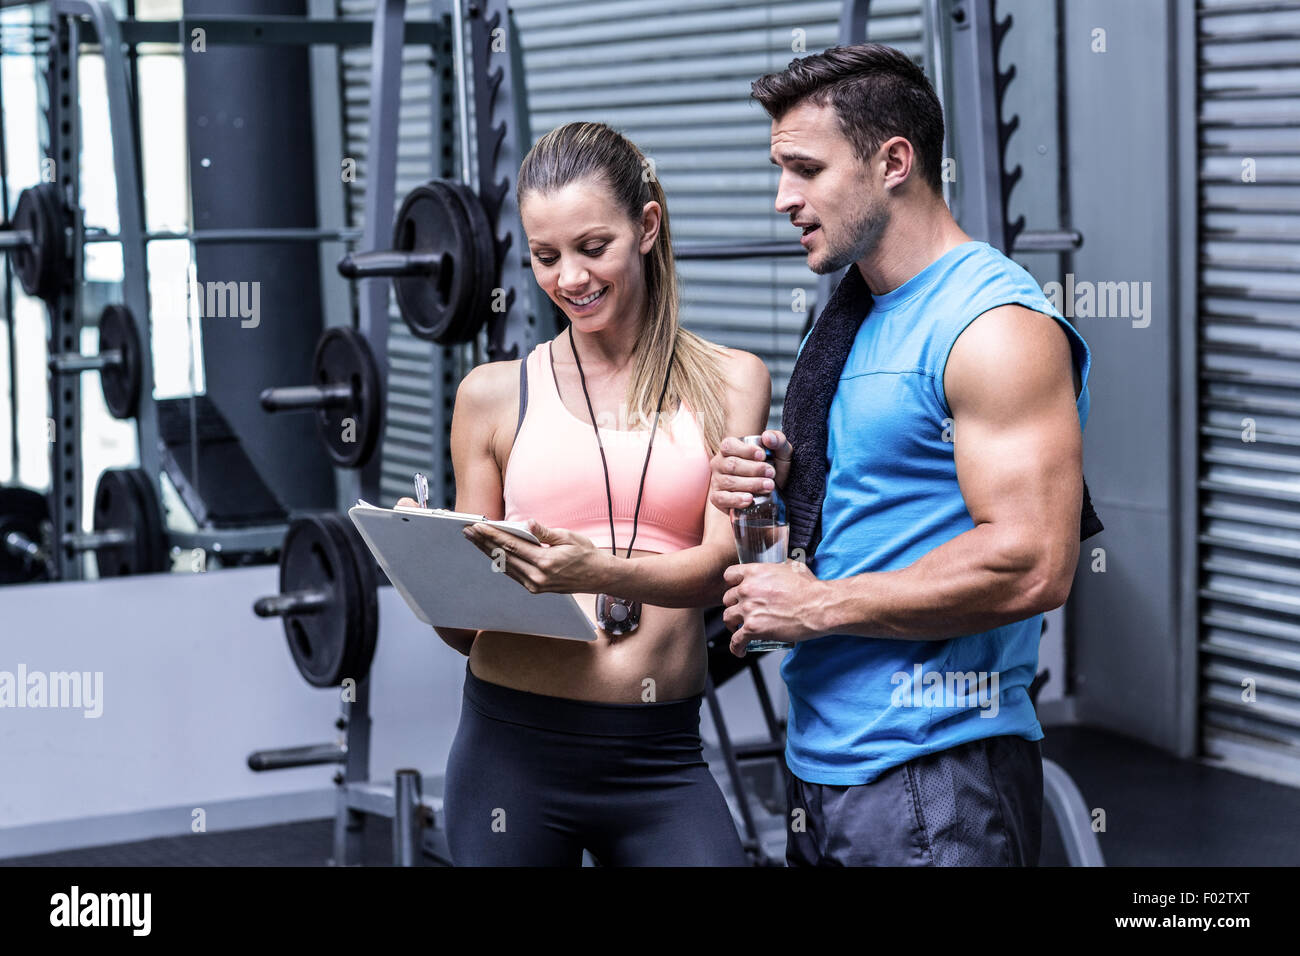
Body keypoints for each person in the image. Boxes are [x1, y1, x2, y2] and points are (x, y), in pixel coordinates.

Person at [707, 44, 1097, 866]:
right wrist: (783, 482)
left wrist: (815, 607)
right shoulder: (856, 313)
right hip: (826, 763)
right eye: (780, 170)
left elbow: (1032, 564)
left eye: (805, 169)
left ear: (893, 161)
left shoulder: (994, 327)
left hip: (936, 773)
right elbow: (885, 498)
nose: (783, 198)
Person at [398, 121, 768, 866]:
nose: (569, 277)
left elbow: (721, 571)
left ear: (647, 227)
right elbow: (469, 633)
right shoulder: (493, 396)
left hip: (659, 758)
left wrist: (591, 572)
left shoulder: (731, 381)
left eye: (592, 247)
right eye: (545, 256)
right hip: (511, 752)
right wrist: (426, 571)